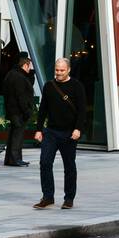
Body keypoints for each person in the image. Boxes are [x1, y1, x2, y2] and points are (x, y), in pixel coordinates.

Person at [33, 58, 87, 209]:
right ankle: (48, 197)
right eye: (57, 70)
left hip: (69, 133)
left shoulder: (77, 86)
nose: (59, 73)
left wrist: (78, 129)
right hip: (51, 132)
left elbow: (82, 111)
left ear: (68, 69)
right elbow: (43, 109)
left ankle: (69, 198)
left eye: (62, 70)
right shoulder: (49, 86)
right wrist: (38, 129)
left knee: (69, 166)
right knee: (45, 162)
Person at [3, 53, 36, 166]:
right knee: (17, 135)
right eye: (29, 66)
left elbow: (29, 84)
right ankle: (14, 159)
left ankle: (11, 159)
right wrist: (27, 111)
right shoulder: (18, 77)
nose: (30, 68)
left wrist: (31, 73)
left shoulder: (13, 74)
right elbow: (21, 97)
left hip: (13, 111)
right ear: (25, 65)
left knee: (14, 135)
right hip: (18, 112)